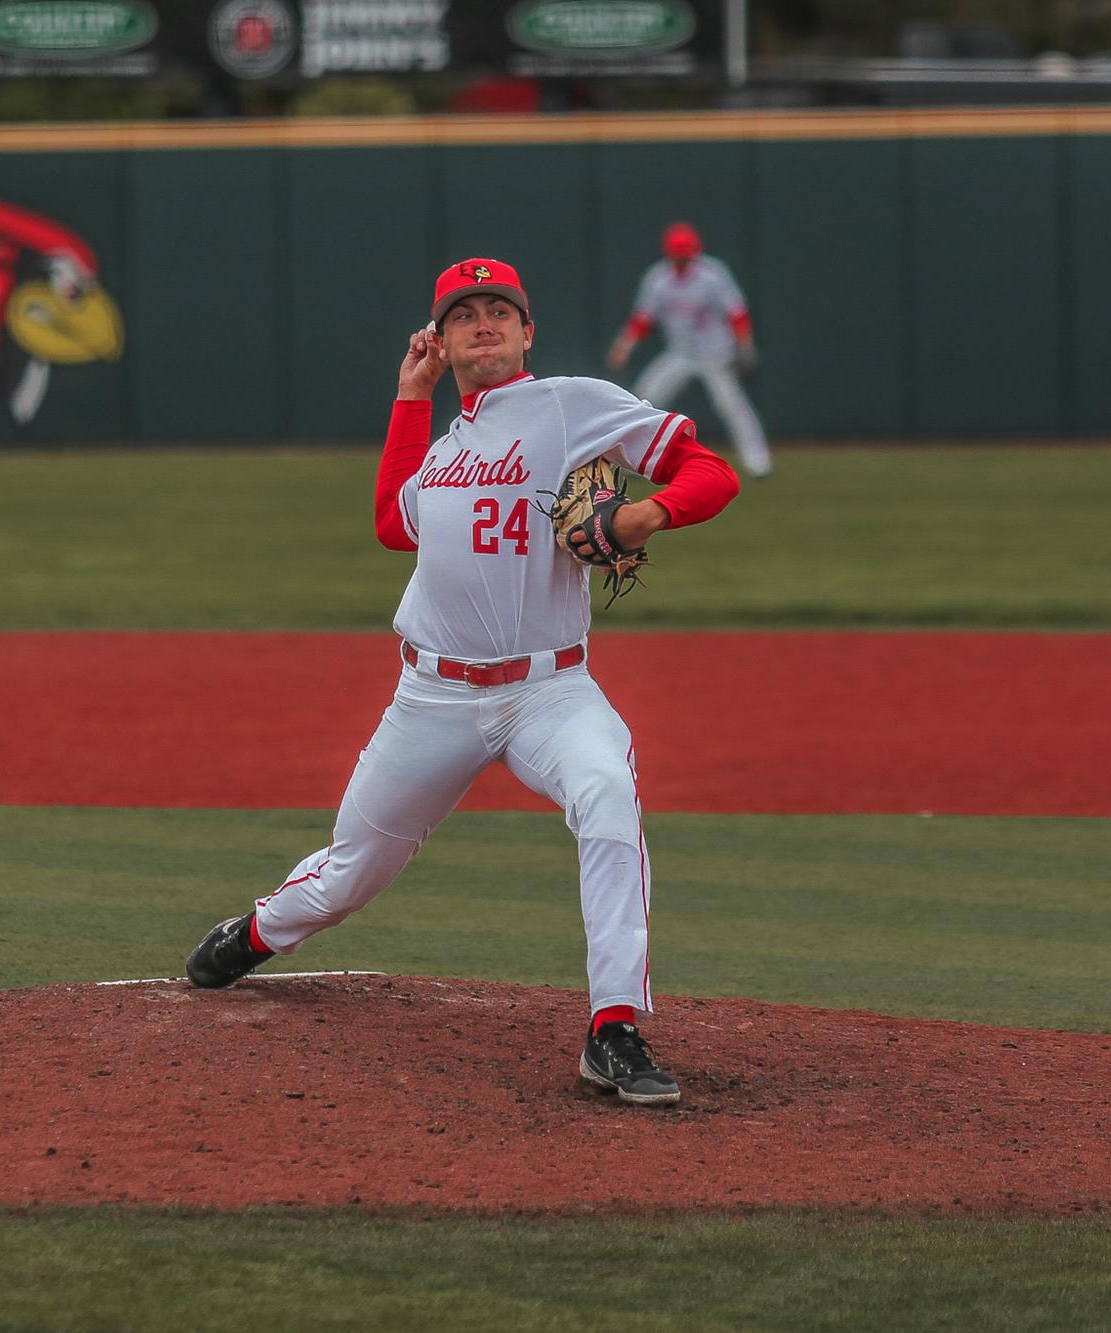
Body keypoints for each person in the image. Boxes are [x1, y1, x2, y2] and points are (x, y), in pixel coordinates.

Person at [185, 258, 740, 1107]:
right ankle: (261, 930)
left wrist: (642, 512)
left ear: (526, 333)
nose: (483, 323)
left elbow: (709, 470)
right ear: (440, 340)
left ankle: (615, 1027)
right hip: (431, 700)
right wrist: (412, 397)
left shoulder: (570, 404)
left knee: (607, 793)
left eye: (500, 311)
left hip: (551, 692)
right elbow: (389, 523)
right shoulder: (445, 449)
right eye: (464, 314)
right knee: (349, 874)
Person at [607, 221, 773, 478]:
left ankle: (758, 463)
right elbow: (643, 319)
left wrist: (744, 345)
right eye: (679, 253)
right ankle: (630, 462)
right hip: (680, 353)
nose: (683, 258)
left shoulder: (713, 274)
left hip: (715, 353)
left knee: (732, 406)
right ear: (669, 253)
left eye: (687, 252)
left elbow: (737, 312)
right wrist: (623, 346)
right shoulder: (658, 279)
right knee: (644, 398)